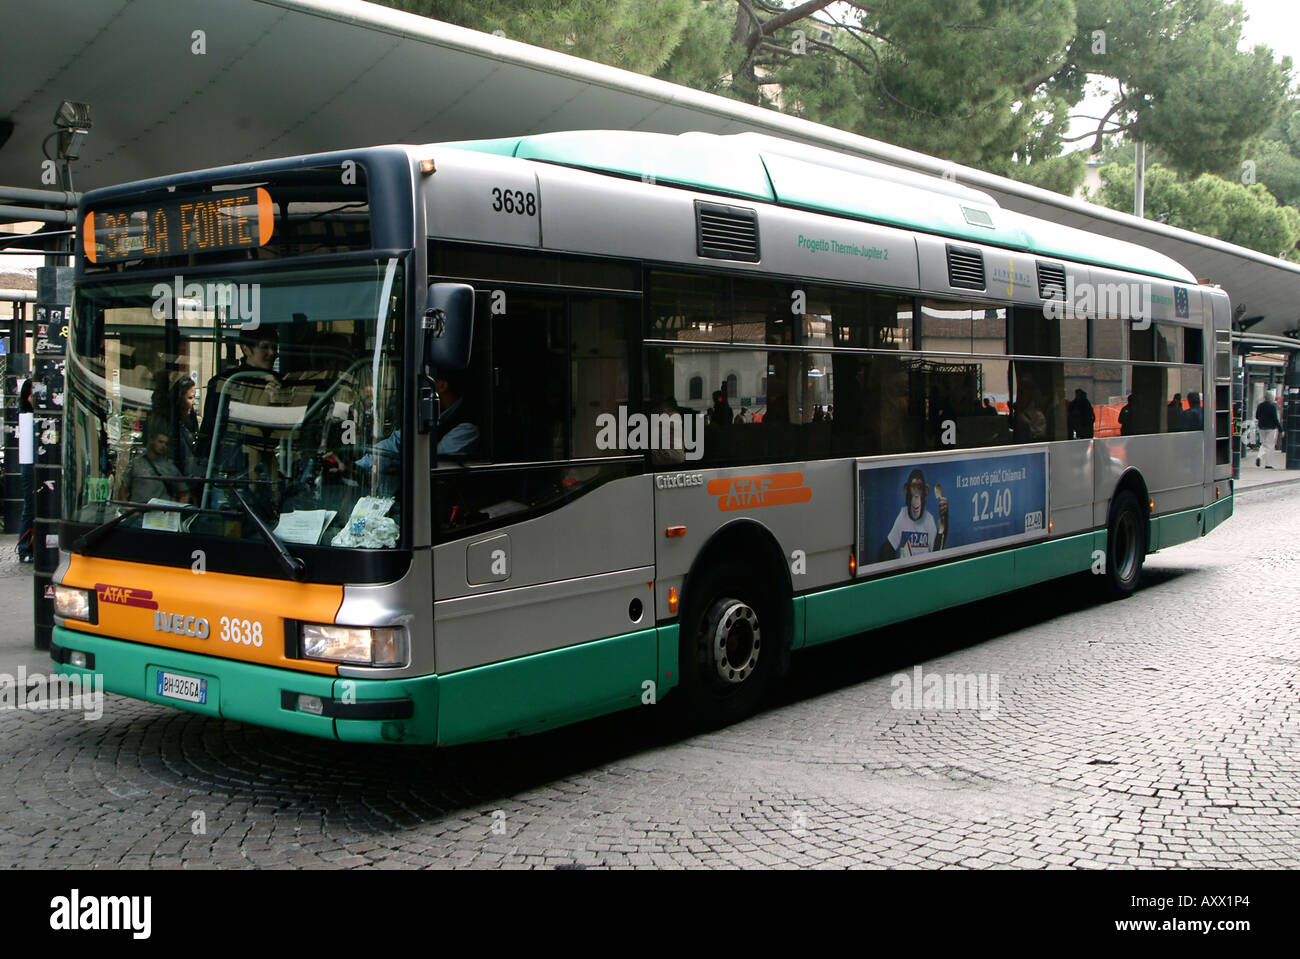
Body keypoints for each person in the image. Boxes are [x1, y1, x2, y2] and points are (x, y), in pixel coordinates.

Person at [878, 468, 947, 561]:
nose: (916, 495)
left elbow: (937, 551)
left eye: (919, 488)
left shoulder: (928, 519)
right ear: (907, 490)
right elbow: (887, 550)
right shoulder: (903, 516)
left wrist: (944, 519)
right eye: (914, 487)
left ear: (925, 492)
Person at [121, 418, 190, 504]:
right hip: (137, 512)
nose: (163, 446)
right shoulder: (136, 463)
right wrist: (126, 507)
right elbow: (124, 487)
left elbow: (184, 493)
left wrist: (176, 513)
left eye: (166, 444)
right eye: (160, 442)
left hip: (161, 514)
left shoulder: (170, 468)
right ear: (152, 441)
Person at [17, 379, 35, 563]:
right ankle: (24, 548)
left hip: (33, 464)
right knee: (29, 507)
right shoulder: (24, 414)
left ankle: (30, 546)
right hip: (29, 466)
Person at [1255, 390, 1281, 468]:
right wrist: (1281, 429)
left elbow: (1256, 416)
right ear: (1272, 398)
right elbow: (1275, 419)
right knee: (1270, 446)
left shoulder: (1260, 405)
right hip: (1271, 428)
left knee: (1263, 443)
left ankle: (1259, 456)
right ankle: (1268, 464)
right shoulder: (1272, 406)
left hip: (1261, 427)